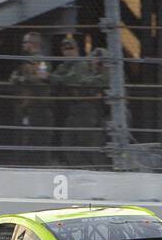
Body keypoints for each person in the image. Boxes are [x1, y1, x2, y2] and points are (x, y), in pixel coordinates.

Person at [50, 38, 107, 168]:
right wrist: (57, 79)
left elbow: (72, 80)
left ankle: (89, 168)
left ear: (76, 50)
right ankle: (81, 167)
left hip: (86, 107)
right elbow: (53, 78)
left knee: (84, 142)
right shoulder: (64, 66)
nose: (68, 52)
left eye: (70, 49)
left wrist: (57, 79)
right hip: (73, 108)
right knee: (67, 142)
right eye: (65, 49)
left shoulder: (81, 63)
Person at [8, 31, 53, 165]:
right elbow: (12, 78)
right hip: (25, 105)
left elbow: (42, 77)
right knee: (23, 138)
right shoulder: (25, 61)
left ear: (32, 43)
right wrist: (21, 79)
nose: (23, 45)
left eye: (25, 42)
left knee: (36, 139)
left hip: (37, 106)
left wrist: (23, 79)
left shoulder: (41, 60)